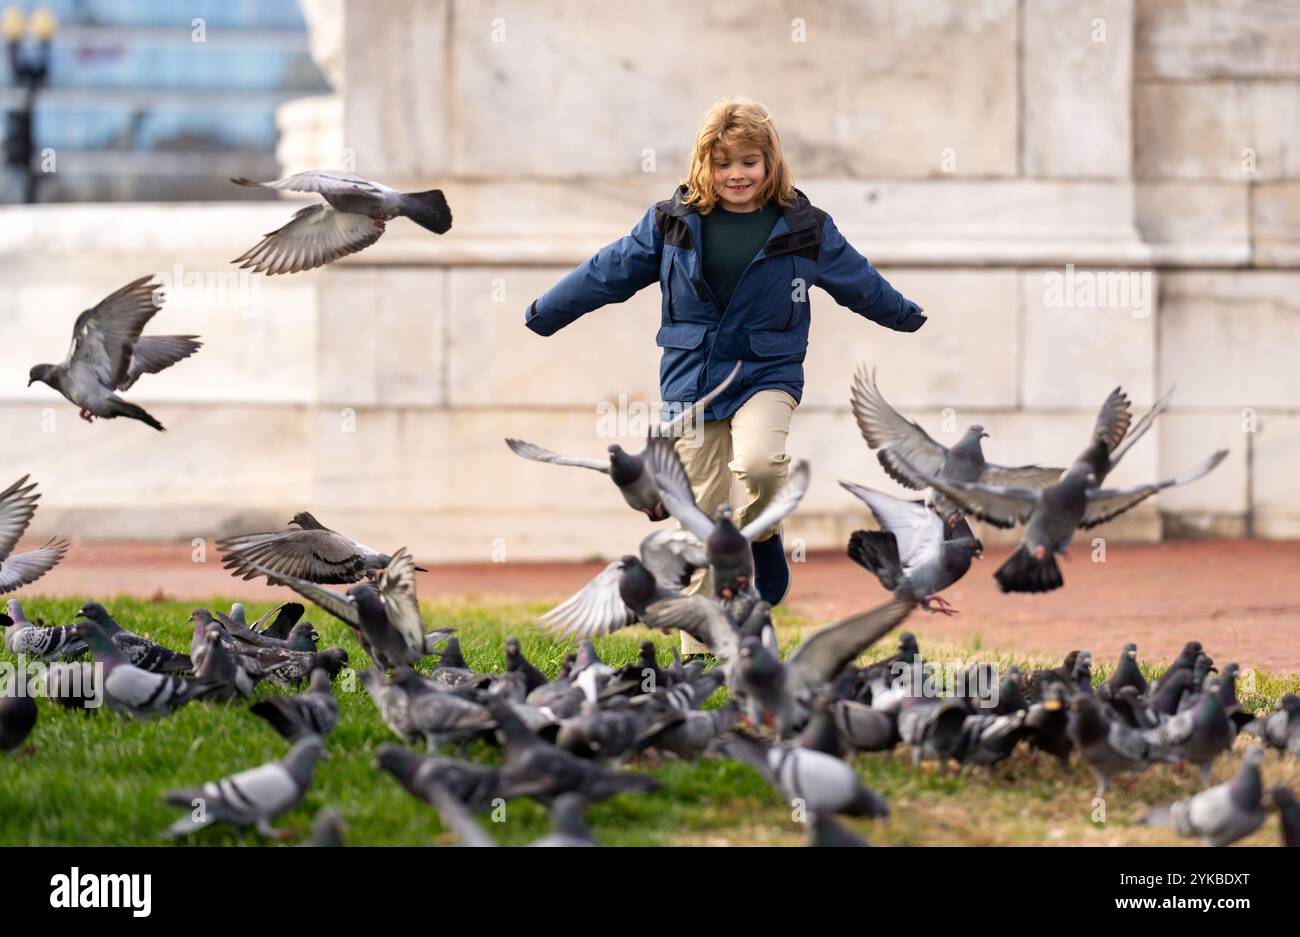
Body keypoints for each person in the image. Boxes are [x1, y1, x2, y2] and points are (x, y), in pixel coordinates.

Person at [524, 97, 926, 655]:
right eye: (723, 163)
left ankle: (763, 534)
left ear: (770, 163)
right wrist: (547, 311)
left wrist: (904, 314)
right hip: (692, 382)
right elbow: (608, 270)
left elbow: (858, 280)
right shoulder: (672, 222)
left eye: (749, 162)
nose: (736, 174)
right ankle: (703, 653)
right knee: (702, 521)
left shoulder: (804, 227)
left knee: (759, 465)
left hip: (767, 372)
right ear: (704, 165)